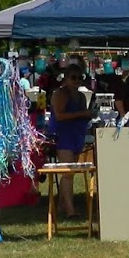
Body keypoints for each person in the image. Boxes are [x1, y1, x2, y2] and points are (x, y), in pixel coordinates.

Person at [49, 64, 92, 219]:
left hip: (77, 134)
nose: (77, 80)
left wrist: (88, 115)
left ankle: (62, 204)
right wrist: (82, 113)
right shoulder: (60, 94)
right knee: (67, 173)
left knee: (71, 173)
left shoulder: (80, 96)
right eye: (73, 77)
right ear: (66, 78)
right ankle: (70, 209)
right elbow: (59, 116)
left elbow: (82, 114)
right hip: (63, 135)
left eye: (80, 77)